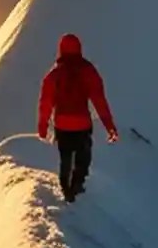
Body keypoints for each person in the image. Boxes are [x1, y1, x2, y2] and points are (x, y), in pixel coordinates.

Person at [37, 33, 118, 203]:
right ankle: (76, 185)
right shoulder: (88, 70)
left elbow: (46, 101)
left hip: (62, 124)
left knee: (65, 157)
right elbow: (99, 100)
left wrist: (43, 126)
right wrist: (109, 126)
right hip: (82, 123)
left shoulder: (55, 74)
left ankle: (65, 188)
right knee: (83, 158)